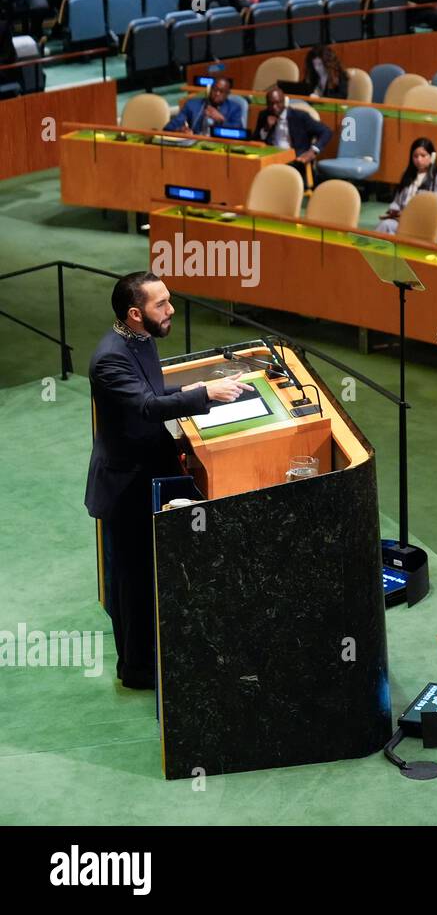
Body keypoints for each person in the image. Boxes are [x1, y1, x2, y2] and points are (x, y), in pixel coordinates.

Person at [84, 272, 251, 689]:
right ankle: (137, 672)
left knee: (143, 576)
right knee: (134, 581)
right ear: (135, 313)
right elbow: (143, 406)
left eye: (169, 300)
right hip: (127, 486)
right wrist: (205, 395)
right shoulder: (110, 357)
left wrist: (187, 386)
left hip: (146, 472)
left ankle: (148, 660)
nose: (171, 309)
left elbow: (150, 390)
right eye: (162, 304)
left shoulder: (138, 339)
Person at [376, 137, 437, 241]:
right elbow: (397, 202)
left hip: (425, 224)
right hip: (403, 221)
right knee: (385, 225)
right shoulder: (407, 174)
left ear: (432, 156)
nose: (419, 160)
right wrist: (393, 211)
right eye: (415, 156)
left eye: (423, 155)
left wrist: (410, 214)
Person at [253, 86, 332, 182]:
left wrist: (312, 151)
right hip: (271, 158)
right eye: (271, 104)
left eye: (277, 103)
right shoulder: (264, 115)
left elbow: (326, 131)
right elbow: (255, 140)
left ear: (284, 102)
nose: (274, 107)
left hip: (295, 159)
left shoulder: (300, 116)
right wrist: (266, 128)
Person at [164, 76, 243, 134]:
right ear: (210, 90)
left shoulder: (234, 108)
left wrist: (221, 120)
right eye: (215, 89)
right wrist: (180, 130)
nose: (217, 93)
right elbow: (169, 127)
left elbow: (239, 132)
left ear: (227, 94)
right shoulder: (192, 105)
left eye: (221, 91)